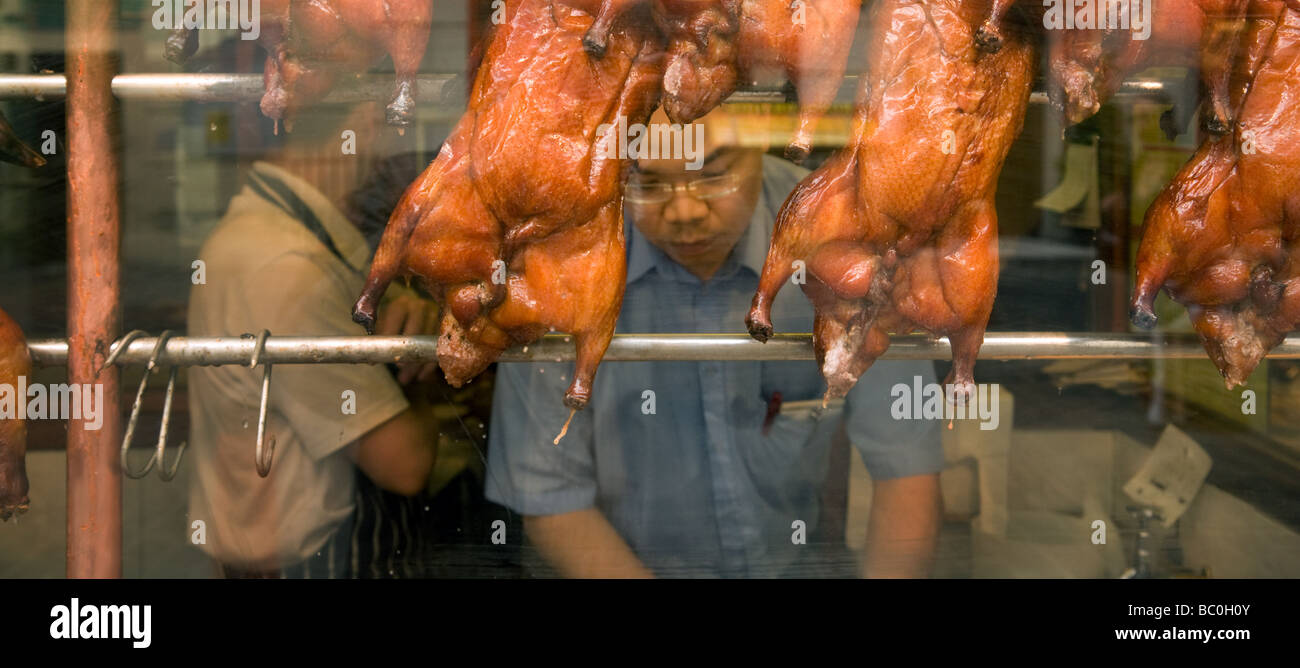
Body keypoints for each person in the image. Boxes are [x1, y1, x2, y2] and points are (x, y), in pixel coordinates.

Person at [486, 108, 945, 578]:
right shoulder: (564, 264)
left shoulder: (839, 239)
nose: (684, 211)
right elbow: (549, 495)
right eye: (647, 183)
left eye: (713, 174)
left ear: (761, 138)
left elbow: (905, 467)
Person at [186, 101, 441, 578]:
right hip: (323, 564)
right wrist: (415, 373)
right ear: (366, 121)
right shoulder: (286, 265)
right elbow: (405, 465)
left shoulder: (263, 233)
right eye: (389, 127)